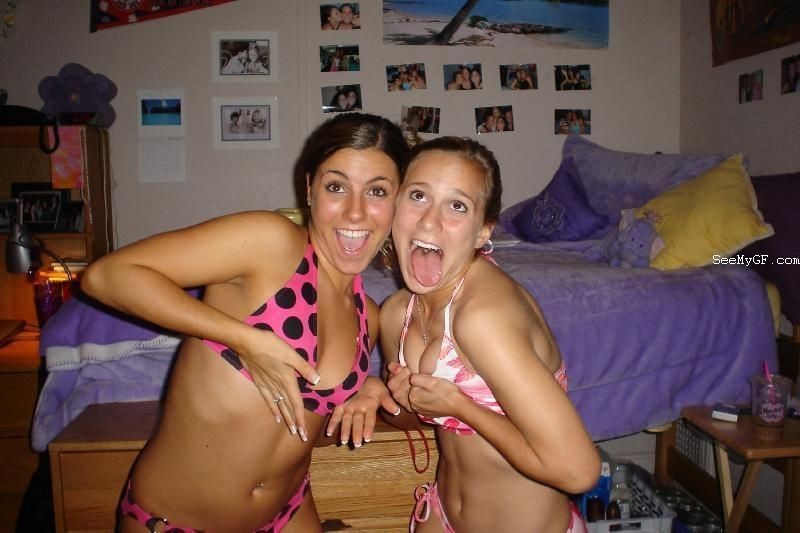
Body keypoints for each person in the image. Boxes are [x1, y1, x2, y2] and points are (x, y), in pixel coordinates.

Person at [81, 112, 410, 532]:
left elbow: (297, 430)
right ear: (310, 188)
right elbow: (106, 277)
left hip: (288, 513)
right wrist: (243, 340)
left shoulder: (369, 316)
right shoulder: (270, 243)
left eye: (377, 191)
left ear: (398, 202)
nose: (356, 212)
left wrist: (368, 393)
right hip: (174, 520)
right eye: (336, 187)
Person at [380, 137, 600, 532]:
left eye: (457, 206)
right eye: (418, 195)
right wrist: (389, 398)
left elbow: (578, 472)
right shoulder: (397, 312)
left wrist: (460, 406)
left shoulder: (483, 318)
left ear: (483, 232)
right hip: (441, 515)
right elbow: (413, 419)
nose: (429, 221)